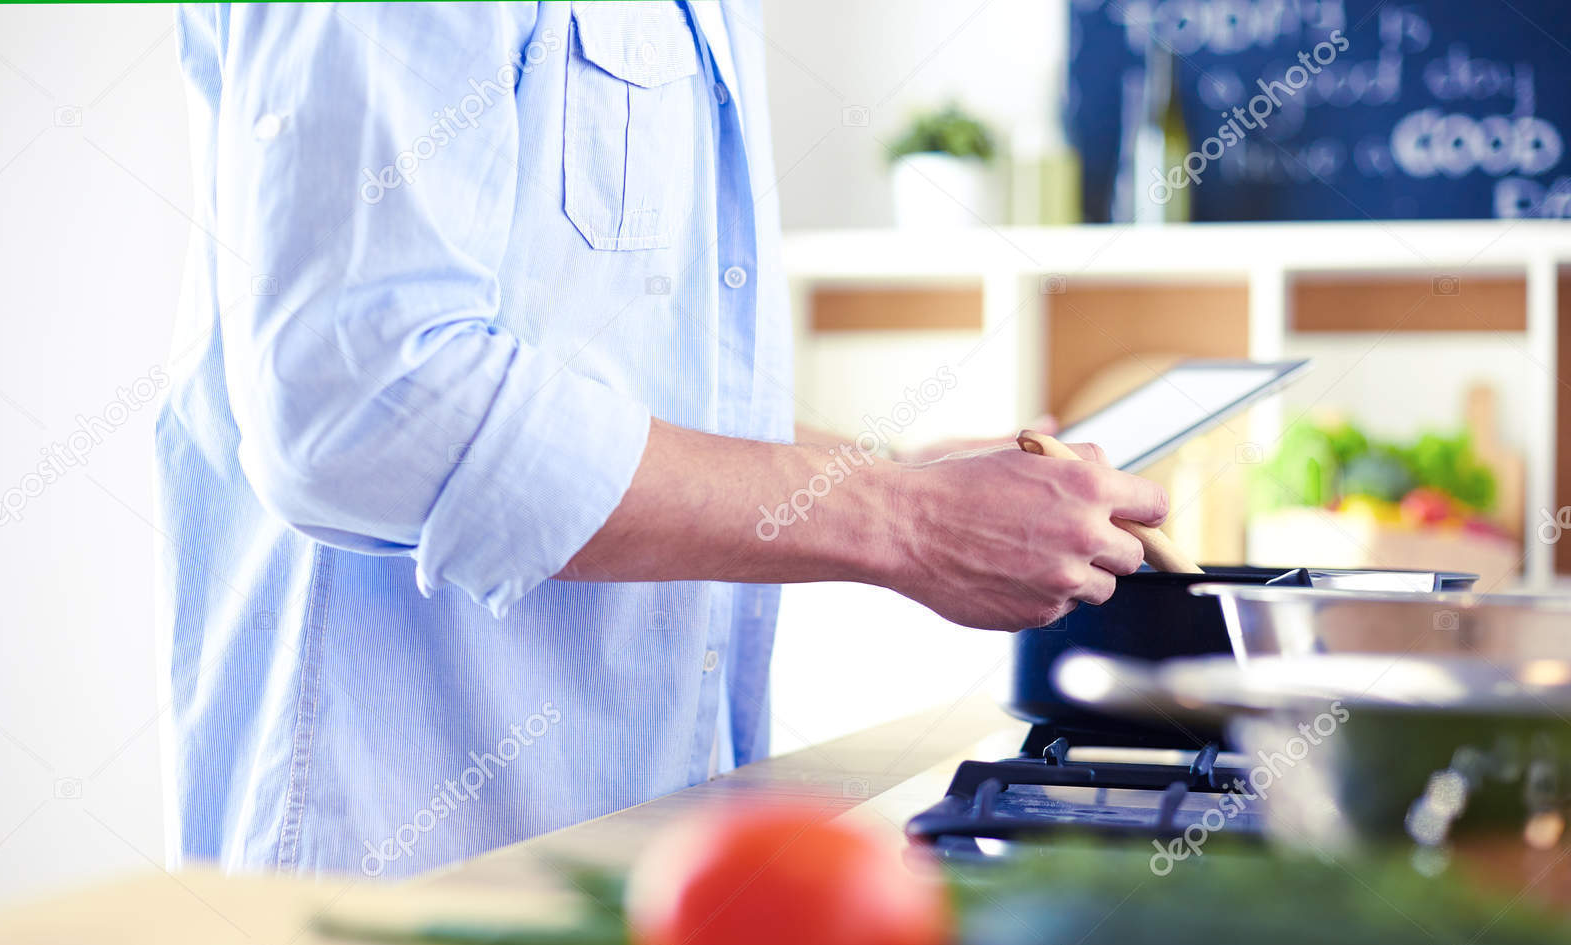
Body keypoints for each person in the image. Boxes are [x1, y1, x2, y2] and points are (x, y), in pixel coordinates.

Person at [161, 1, 1166, 878]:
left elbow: (625, 389)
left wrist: (895, 475)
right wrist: (907, 521)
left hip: (632, 856)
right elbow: (368, 409)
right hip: (395, 860)